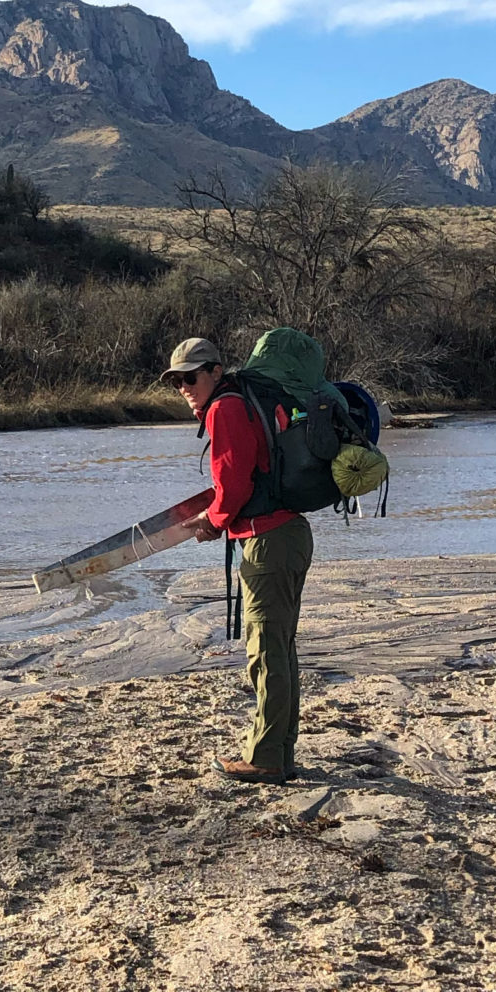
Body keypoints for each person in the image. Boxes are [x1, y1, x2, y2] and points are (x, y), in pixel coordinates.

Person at [164, 335, 314, 784]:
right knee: (281, 649)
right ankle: (280, 751)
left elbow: (234, 485)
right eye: (177, 382)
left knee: (266, 652)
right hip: (287, 534)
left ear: (215, 371)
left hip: (268, 540)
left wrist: (212, 521)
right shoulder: (248, 401)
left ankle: (267, 757)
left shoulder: (225, 408)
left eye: (192, 377)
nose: (185, 387)